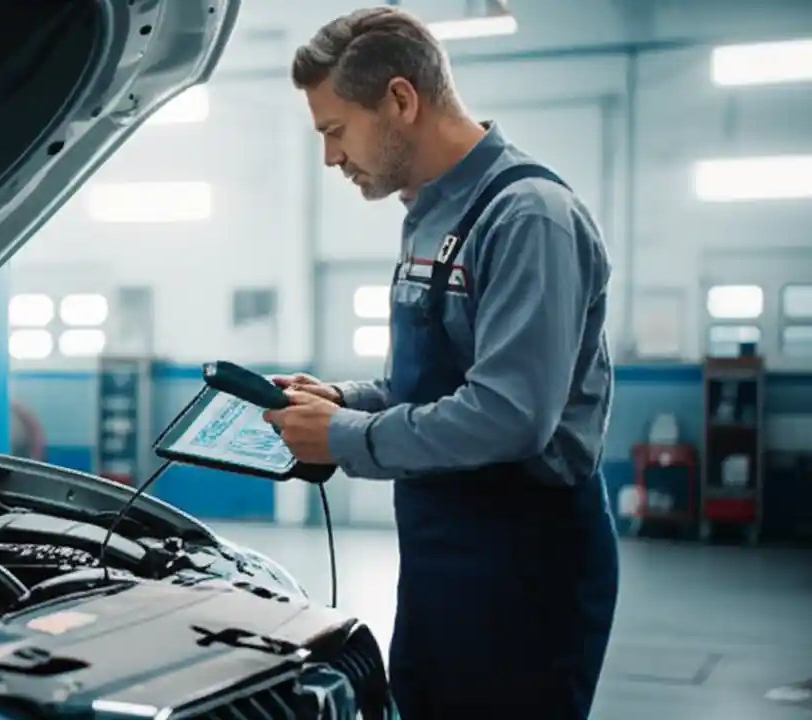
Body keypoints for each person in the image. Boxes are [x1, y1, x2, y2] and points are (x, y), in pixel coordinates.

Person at [261, 7, 621, 719]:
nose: (330, 157)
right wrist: (342, 400)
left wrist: (341, 437)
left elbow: (509, 415)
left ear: (400, 100)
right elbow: (421, 388)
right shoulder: (429, 217)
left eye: (335, 130)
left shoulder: (527, 217)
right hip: (441, 556)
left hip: (525, 566)